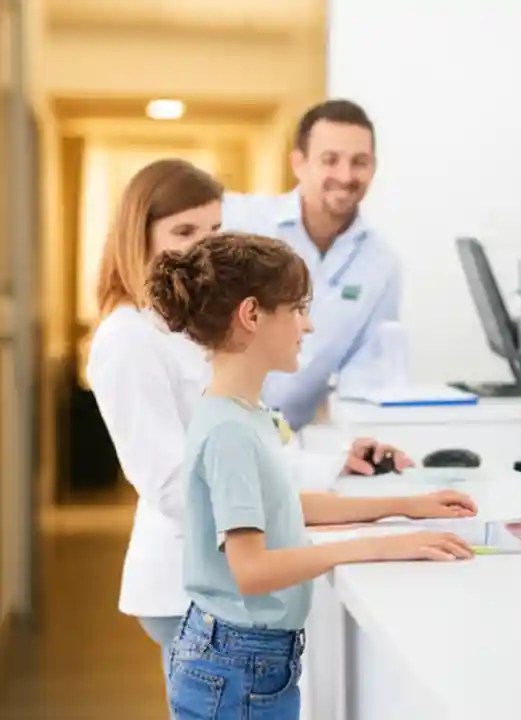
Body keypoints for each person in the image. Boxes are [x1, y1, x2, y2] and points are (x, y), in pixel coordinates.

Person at [87, 158, 416, 662]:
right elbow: (171, 481)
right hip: (186, 582)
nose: (203, 246)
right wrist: (280, 527)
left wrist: (335, 463)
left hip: (225, 577)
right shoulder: (127, 337)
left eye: (215, 229)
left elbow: (248, 447)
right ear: (140, 237)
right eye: (183, 231)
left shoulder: (191, 324)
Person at [151, 231, 475, 719]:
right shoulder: (229, 432)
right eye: (298, 308)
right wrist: (377, 547)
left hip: (249, 661)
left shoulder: (244, 413)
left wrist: (403, 506)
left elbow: (282, 505)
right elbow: (252, 570)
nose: (308, 325)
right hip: (236, 667)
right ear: (252, 315)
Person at [221, 99, 401, 428]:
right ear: (299, 163)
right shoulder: (244, 224)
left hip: (292, 443)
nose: (346, 176)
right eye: (330, 160)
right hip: (219, 424)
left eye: (360, 162)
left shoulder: (382, 264)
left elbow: (368, 371)